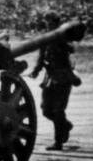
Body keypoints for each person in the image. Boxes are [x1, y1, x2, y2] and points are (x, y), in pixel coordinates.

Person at [28, 12, 80, 150]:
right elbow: (41, 56)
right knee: (45, 110)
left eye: (51, 22)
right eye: (47, 22)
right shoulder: (46, 38)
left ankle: (58, 142)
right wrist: (36, 70)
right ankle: (65, 125)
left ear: (56, 23)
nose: (48, 24)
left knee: (58, 110)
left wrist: (59, 41)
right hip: (50, 78)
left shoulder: (63, 37)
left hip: (63, 77)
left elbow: (71, 49)